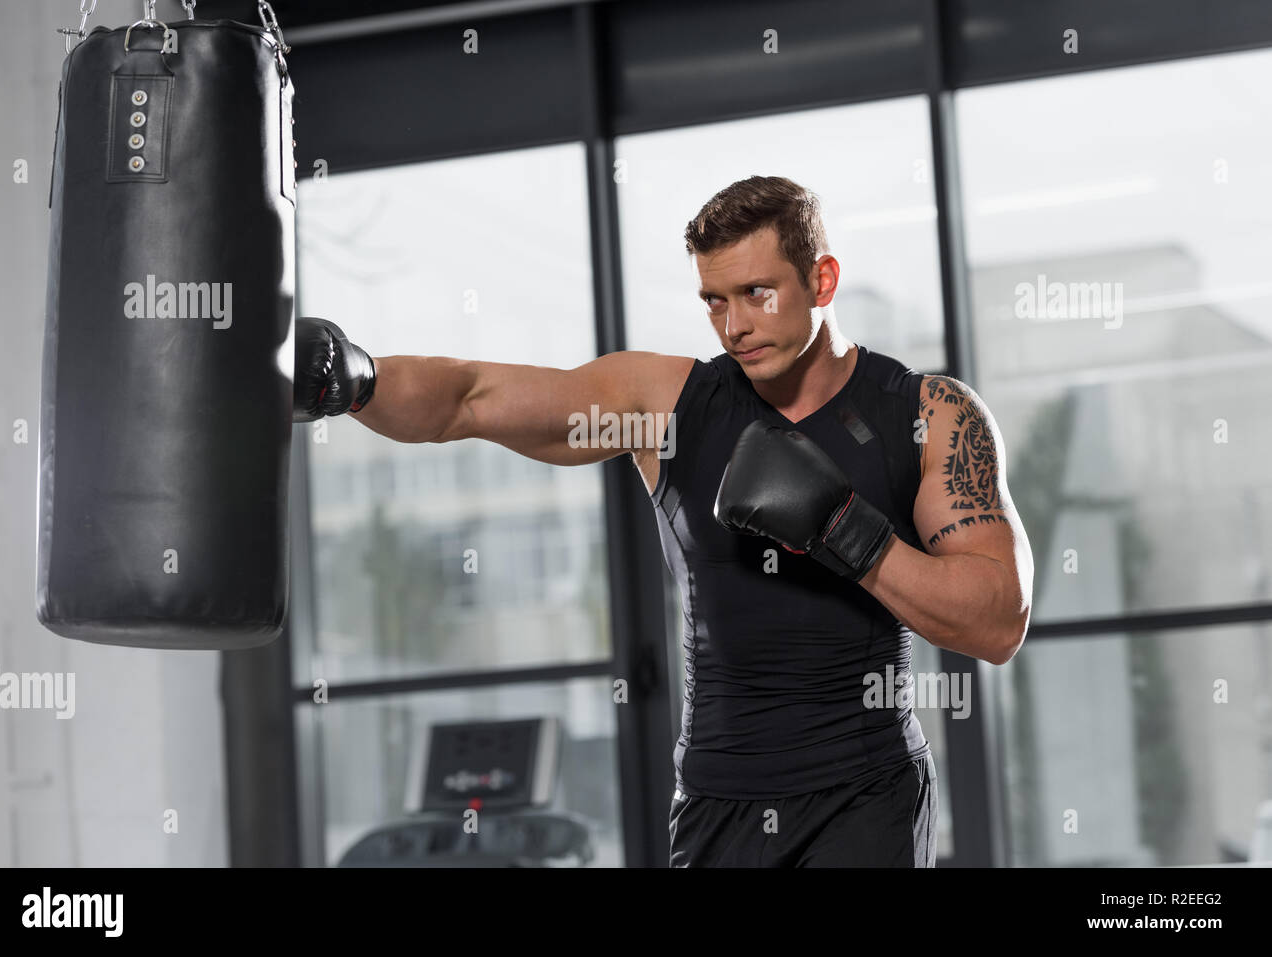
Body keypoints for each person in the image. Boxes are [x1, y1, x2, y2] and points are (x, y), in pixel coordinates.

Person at [294, 175, 1034, 867]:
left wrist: (847, 528)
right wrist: (356, 378)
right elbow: (470, 397)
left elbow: (997, 620)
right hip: (717, 802)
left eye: (757, 293)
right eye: (714, 301)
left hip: (866, 795)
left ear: (823, 280)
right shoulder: (669, 409)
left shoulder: (925, 413)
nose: (735, 326)